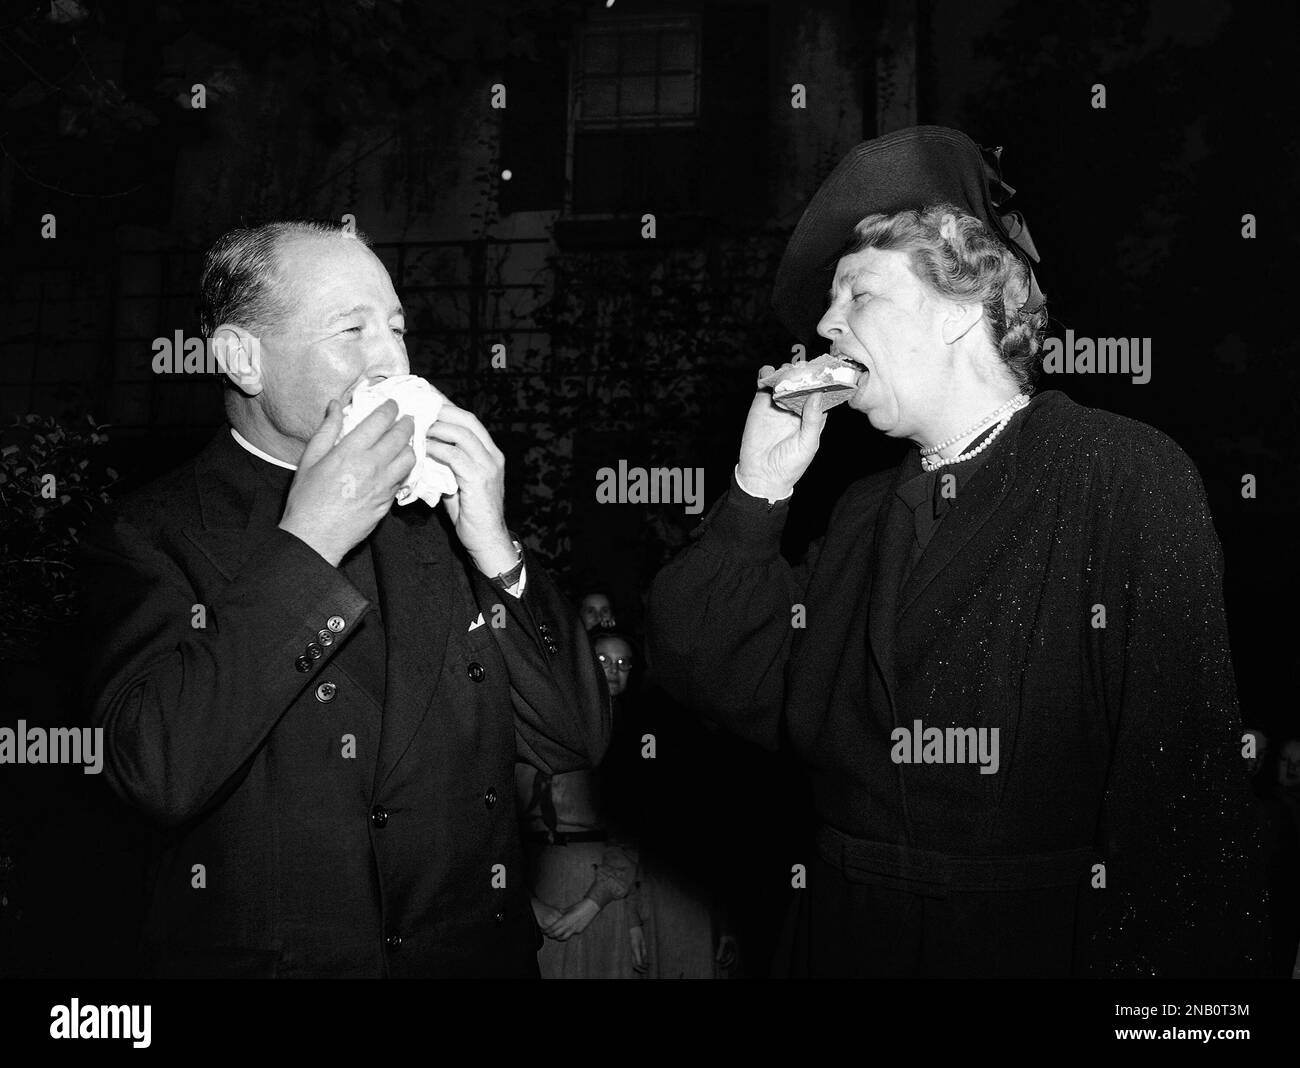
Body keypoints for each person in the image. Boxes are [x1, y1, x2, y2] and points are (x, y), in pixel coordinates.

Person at [647, 127, 1267, 977]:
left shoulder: (1118, 474)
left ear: (961, 308)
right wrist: (757, 493)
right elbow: (712, 672)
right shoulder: (867, 512)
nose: (825, 324)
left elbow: (1184, 805)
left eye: (857, 293)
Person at [79, 220, 609, 978]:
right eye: (351, 330)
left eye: (396, 327)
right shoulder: (149, 532)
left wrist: (495, 545)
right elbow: (156, 772)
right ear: (241, 358)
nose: (390, 358)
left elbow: (572, 741)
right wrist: (310, 544)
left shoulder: (440, 513)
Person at [515, 628, 643, 978]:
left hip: (598, 895)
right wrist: (527, 902)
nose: (613, 670)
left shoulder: (632, 744)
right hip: (534, 892)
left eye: (623, 663)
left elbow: (631, 835)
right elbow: (495, 827)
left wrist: (592, 903)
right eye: (602, 660)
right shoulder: (531, 724)